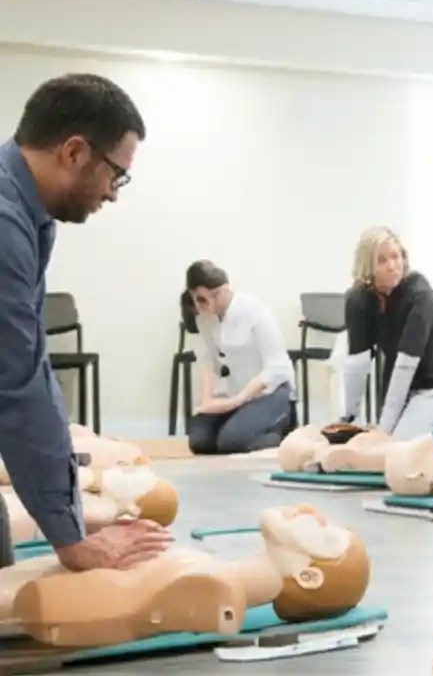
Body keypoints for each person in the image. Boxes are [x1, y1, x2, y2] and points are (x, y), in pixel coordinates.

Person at [0, 73, 171, 571]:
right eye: (116, 174)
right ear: (74, 152)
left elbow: (29, 363)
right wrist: (71, 540)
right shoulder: (5, 224)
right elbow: (17, 385)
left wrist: (69, 516)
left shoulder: (29, 215)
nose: (115, 194)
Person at [338, 226, 433, 438]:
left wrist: (384, 431)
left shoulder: (419, 293)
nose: (392, 266)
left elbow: (406, 365)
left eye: (395, 257)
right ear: (367, 266)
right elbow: (357, 363)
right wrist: (348, 418)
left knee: (396, 445)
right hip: (404, 394)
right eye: (382, 260)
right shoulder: (360, 299)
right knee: (375, 441)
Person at [185, 260, 297, 454]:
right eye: (196, 299)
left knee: (231, 443)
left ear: (220, 291)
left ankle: (283, 431)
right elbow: (209, 362)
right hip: (236, 394)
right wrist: (207, 402)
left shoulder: (255, 312)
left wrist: (240, 399)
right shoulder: (206, 319)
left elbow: (277, 367)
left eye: (202, 299)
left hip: (270, 391)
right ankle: (249, 425)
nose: (199, 305)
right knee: (200, 442)